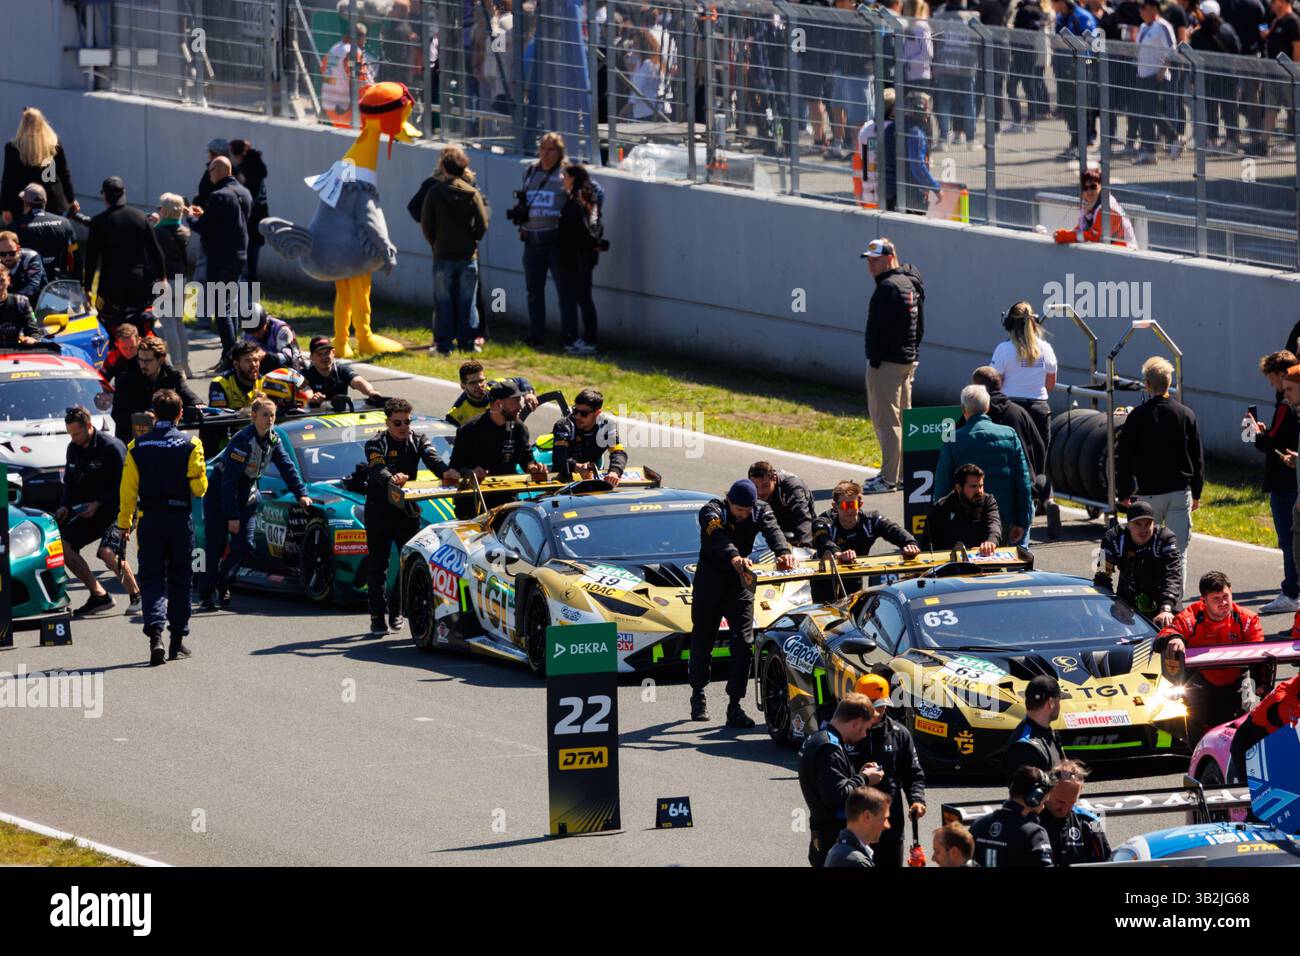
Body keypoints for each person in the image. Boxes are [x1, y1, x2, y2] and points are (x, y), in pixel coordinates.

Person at [688, 478, 795, 725]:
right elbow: (718, 537)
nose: (744, 515)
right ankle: (698, 693)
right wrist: (734, 556)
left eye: (748, 511)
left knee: (744, 643)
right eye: (739, 511)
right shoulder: (712, 511)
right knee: (703, 639)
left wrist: (783, 552)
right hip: (710, 582)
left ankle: (734, 705)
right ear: (729, 501)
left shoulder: (761, 510)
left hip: (740, 583)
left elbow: (773, 531)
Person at [115, 389, 207, 665]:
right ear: (180, 413)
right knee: (180, 580)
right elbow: (199, 488)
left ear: (154, 415)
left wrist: (124, 524)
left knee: (153, 579)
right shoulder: (192, 444)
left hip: (150, 520)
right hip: (180, 519)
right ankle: (177, 640)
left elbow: (127, 491)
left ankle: (156, 635)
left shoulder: (137, 446)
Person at [199, 396, 313, 611]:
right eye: (265, 415)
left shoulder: (273, 438)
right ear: (253, 417)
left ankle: (224, 581)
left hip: (248, 493)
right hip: (221, 494)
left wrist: (301, 493)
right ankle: (206, 594)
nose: (270, 419)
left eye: (273, 415)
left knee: (245, 544)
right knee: (214, 547)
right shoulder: (243, 441)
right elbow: (229, 481)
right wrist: (232, 516)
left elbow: (287, 466)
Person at [365, 397, 459, 635]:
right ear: (388, 423)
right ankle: (377, 616)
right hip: (379, 509)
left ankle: (396, 609)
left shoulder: (418, 439)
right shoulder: (376, 443)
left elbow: (433, 459)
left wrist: (447, 471)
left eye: (407, 421)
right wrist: (391, 479)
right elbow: (377, 468)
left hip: (406, 510)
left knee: (407, 562)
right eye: (398, 423)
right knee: (379, 563)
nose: (404, 426)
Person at [1115, 355, 1203, 597]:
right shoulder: (1186, 414)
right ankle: (1174, 603)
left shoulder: (1137, 417)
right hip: (1179, 491)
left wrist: (1124, 492)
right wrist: (1197, 492)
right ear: (1169, 382)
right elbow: (1197, 457)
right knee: (1177, 552)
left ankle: (1146, 597)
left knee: (1144, 548)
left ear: (1147, 384)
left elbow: (1124, 458)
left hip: (1148, 495)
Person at [1158, 570, 1266, 745]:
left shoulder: (1247, 619)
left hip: (1236, 686)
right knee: (1198, 736)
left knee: (1238, 735)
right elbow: (1166, 633)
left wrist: (1260, 682)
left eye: (1226, 596)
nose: (1223, 603)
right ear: (1203, 600)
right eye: (1216, 599)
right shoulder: (1190, 618)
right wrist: (1174, 637)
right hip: (1200, 687)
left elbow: (1259, 654)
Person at [57, 406, 136, 615]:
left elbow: (125, 486)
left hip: (121, 509)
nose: (73, 438)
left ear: (89, 426)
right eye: (70, 434)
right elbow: (70, 483)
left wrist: (99, 503)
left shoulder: (111, 447)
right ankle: (99, 595)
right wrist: (65, 505)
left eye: (77, 433)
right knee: (63, 545)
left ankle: (136, 596)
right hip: (92, 511)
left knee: (107, 553)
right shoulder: (73, 448)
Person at [862, 238, 925, 494]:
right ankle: (898, 474)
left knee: (886, 421)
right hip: (906, 361)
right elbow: (919, 326)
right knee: (902, 419)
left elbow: (878, 331)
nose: (871, 265)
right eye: (868, 260)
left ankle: (889, 479)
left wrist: (874, 360)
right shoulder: (910, 283)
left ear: (890, 258)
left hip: (887, 364)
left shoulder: (887, 287)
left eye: (876, 260)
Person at [935, 385, 1033, 545]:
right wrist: (1023, 521)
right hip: (1004, 517)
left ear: (963, 409)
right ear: (987, 407)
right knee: (1000, 565)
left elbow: (943, 483)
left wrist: (939, 520)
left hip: (965, 519)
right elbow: (1022, 482)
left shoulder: (953, 439)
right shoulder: (1010, 435)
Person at [797, 693, 885, 867]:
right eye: (865, 729)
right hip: (832, 840)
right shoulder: (829, 749)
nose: (865, 735)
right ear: (855, 723)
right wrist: (865, 778)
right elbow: (837, 796)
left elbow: (832, 784)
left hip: (822, 835)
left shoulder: (818, 738)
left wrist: (857, 776)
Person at [849, 673, 927, 868]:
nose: (880, 710)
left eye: (883, 704)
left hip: (889, 828)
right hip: (854, 827)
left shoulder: (899, 734)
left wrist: (917, 800)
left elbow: (913, 774)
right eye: (875, 705)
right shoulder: (845, 735)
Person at [421, 145, 488, 355]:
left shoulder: (435, 192)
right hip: (467, 255)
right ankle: (468, 342)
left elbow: (426, 223)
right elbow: (482, 224)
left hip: (442, 254)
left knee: (443, 302)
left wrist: (435, 242)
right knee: (468, 302)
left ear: (444, 166)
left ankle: (443, 344)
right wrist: (473, 240)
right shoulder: (471, 193)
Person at [187, 157, 252, 364]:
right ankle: (234, 353)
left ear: (222, 170)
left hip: (220, 258)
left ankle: (231, 355)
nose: (209, 174)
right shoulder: (244, 192)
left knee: (220, 307)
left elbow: (203, 227)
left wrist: (190, 216)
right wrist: (205, 214)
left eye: (211, 170)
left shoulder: (219, 195)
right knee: (230, 305)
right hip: (239, 255)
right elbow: (231, 221)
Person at [450, 380, 547, 514]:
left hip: (507, 503)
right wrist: (470, 473)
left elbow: (526, 459)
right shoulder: (469, 429)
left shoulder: (520, 429)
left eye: (520, 400)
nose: (520, 406)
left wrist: (534, 468)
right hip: (472, 505)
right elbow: (454, 467)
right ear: (498, 404)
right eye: (515, 401)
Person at [812, 480, 919, 601]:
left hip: (853, 571)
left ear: (860, 505)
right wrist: (837, 554)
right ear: (835, 506)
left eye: (852, 505)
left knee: (854, 609)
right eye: (844, 506)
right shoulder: (823, 522)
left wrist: (910, 543)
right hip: (824, 575)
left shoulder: (871, 520)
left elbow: (894, 530)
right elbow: (822, 541)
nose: (848, 510)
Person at [1251, 351, 1300, 614]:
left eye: (1272, 380)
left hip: (1285, 483)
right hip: (1292, 479)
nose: (1274, 387)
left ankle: (1291, 591)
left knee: (1289, 540)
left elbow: (1271, 443)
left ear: (1282, 375)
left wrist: (1257, 434)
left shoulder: (1285, 405)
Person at [517, 132, 573, 349]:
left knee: (565, 291)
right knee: (533, 290)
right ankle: (535, 335)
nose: (546, 154)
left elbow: (591, 193)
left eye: (551, 150)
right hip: (531, 239)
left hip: (556, 240)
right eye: (543, 149)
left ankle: (568, 336)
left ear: (559, 152)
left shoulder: (565, 174)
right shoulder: (530, 171)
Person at [82, 177, 166, 320]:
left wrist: (87, 288)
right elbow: (155, 250)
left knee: (109, 324)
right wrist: (162, 277)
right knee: (141, 326)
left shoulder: (98, 222)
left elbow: (91, 259)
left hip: (110, 286)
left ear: (104, 195)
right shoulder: (140, 217)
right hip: (139, 284)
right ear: (124, 192)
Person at [1093, 500, 1182, 627]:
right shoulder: (1112, 538)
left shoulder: (1166, 538)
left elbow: (1173, 574)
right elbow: (1102, 576)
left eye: (1148, 523)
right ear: (1128, 525)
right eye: (1138, 524)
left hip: (1163, 596)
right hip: (1128, 597)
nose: (1144, 529)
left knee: (1177, 628)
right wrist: (1113, 603)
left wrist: (1166, 607)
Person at [970, 366, 1047, 511]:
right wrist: (1033, 477)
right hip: (1022, 489)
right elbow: (1039, 447)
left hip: (985, 493)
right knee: (1021, 532)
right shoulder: (1019, 412)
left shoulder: (972, 416)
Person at [110, 336, 200, 444]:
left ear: (161, 359)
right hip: (133, 442)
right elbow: (117, 414)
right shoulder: (126, 380)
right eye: (141, 360)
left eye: (148, 361)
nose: (143, 365)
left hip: (167, 439)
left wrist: (198, 405)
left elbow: (189, 396)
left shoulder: (172, 377)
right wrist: (141, 417)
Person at [556, 164, 604, 354]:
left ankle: (591, 340)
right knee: (581, 297)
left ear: (573, 178)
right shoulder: (580, 199)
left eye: (565, 176)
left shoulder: (579, 201)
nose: (562, 179)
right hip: (579, 255)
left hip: (580, 256)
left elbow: (585, 231)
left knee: (584, 298)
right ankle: (586, 338)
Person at [1, 108, 79, 223]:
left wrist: (6, 207)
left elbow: (8, 179)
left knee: (25, 237)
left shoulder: (13, 148)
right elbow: (64, 173)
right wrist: (71, 199)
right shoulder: (53, 144)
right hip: (52, 202)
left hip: (23, 203)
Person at [969, 764, 1056, 867]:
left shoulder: (978, 824)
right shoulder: (1034, 834)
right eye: (1043, 801)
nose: (1043, 807)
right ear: (1035, 798)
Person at [1133, 0, 1180, 164]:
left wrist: (1162, 69)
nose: (1140, 11)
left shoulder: (1163, 26)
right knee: (1145, 113)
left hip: (1156, 75)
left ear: (1153, 8)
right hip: (1143, 74)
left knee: (1151, 110)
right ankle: (1149, 150)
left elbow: (1171, 49)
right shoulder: (1144, 27)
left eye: (1143, 8)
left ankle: (1174, 137)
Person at [152, 193, 194, 378]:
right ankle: (185, 363)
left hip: (164, 280)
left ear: (165, 210)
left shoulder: (158, 232)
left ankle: (176, 366)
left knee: (168, 323)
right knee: (178, 323)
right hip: (181, 278)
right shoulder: (184, 231)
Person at [1228, 674, 1299, 782]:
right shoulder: (1284, 700)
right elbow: (1293, 739)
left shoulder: (1294, 686)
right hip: (1250, 751)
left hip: (1269, 743)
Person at [1040, 761, 1112, 866]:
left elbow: (1107, 862)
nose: (1064, 809)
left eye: (1071, 803)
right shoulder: (1029, 820)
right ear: (1048, 792)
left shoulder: (1091, 821)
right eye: (1060, 801)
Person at [551, 387, 627, 483]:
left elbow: (619, 453)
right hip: (563, 476)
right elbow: (559, 459)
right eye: (575, 411)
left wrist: (614, 472)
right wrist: (578, 467)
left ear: (597, 413)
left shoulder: (607, 427)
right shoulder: (563, 426)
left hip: (590, 478)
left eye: (583, 413)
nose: (577, 416)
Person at [926, 463, 1002, 554]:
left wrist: (991, 542)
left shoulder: (988, 501)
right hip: (951, 563)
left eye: (981, 486)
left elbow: (994, 524)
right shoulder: (941, 507)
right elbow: (927, 544)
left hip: (982, 559)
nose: (979, 491)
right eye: (973, 486)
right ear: (958, 488)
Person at [1053, 169, 1138, 248]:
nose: (1089, 192)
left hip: (1124, 250)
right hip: (1111, 249)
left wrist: (1066, 237)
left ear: (1100, 187)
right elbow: (1080, 229)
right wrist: (1063, 233)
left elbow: (1092, 236)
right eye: (1085, 188)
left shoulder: (1106, 207)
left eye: (1093, 187)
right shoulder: (1088, 204)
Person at [1003, 675, 1065, 781]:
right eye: (1059, 699)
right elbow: (1025, 795)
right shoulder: (1024, 747)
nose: (1060, 704)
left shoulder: (1047, 733)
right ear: (1051, 703)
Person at [12, 183, 77, 281]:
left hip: (27, 284)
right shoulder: (65, 223)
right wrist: (78, 281)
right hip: (56, 284)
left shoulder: (15, 227)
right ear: (45, 202)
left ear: (25, 203)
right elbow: (74, 254)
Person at [445, 360, 537, 428]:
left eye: (481, 381)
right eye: (473, 383)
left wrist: (529, 393)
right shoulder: (455, 415)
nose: (479, 385)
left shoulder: (497, 386)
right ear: (463, 386)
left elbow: (521, 380)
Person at [747, 461, 816, 547]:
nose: (760, 492)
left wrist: (806, 547)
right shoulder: (748, 489)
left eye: (765, 486)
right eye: (755, 487)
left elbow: (802, 517)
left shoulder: (793, 487)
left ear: (774, 479)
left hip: (793, 530)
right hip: (768, 528)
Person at [824, 787, 894, 868]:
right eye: (884, 818)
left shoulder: (837, 850)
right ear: (867, 816)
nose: (887, 825)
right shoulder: (856, 862)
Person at [229, 139, 269, 281]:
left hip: (250, 223)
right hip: (259, 221)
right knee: (251, 264)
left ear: (238, 156)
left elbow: (246, 199)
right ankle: (251, 296)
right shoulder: (256, 167)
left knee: (246, 268)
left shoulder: (247, 173)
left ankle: (249, 297)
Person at [321, 24, 374, 128]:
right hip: (346, 108)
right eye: (365, 38)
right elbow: (359, 80)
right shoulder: (353, 52)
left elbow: (324, 70)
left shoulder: (334, 49)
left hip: (330, 106)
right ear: (360, 37)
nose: (365, 42)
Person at [303, 336, 382, 406]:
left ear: (333, 353)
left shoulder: (342, 370)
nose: (324, 357)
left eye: (327, 353)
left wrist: (371, 392)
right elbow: (306, 391)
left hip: (339, 417)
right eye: (319, 354)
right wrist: (313, 399)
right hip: (312, 418)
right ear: (312, 357)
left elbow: (358, 381)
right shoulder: (304, 375)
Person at [243, 304, 302, 373]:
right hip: (262, 369)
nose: (255, 335)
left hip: (287, 368)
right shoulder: (247, 333)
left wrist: (266, 356)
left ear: (265, 322)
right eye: (252, 332)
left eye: (258, 330)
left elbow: (288, 357)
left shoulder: (282, 330)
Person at [208, 340, 265, 413]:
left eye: (256, 360)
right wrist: (241, 413)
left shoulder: (265, 383)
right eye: (248, 361)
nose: (254, 365)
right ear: (236, 364)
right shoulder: (220, 384)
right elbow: (217, 417)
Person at [0, 262, 39, 345]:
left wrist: (32, 340)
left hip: (15, 353)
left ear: (8, 280)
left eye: (1, 281)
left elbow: (34, 333)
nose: (0, 286)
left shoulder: (21, 302)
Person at [0, 230, 45, 300]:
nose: (7, 257)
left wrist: (8, 300)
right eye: (3, 254)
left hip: (36, 302)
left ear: (18, 249)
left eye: (12, 253)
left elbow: (33, 286)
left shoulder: (30, 257)